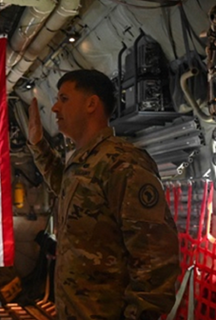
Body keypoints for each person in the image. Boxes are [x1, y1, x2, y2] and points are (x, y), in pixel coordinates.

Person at [26, 69, 180, 319]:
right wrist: (38, 145)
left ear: (91, 104)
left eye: (64, 99)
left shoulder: (123, 163)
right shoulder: (83, 161)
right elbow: (64, 186)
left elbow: (155, 256)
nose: (54, 108)